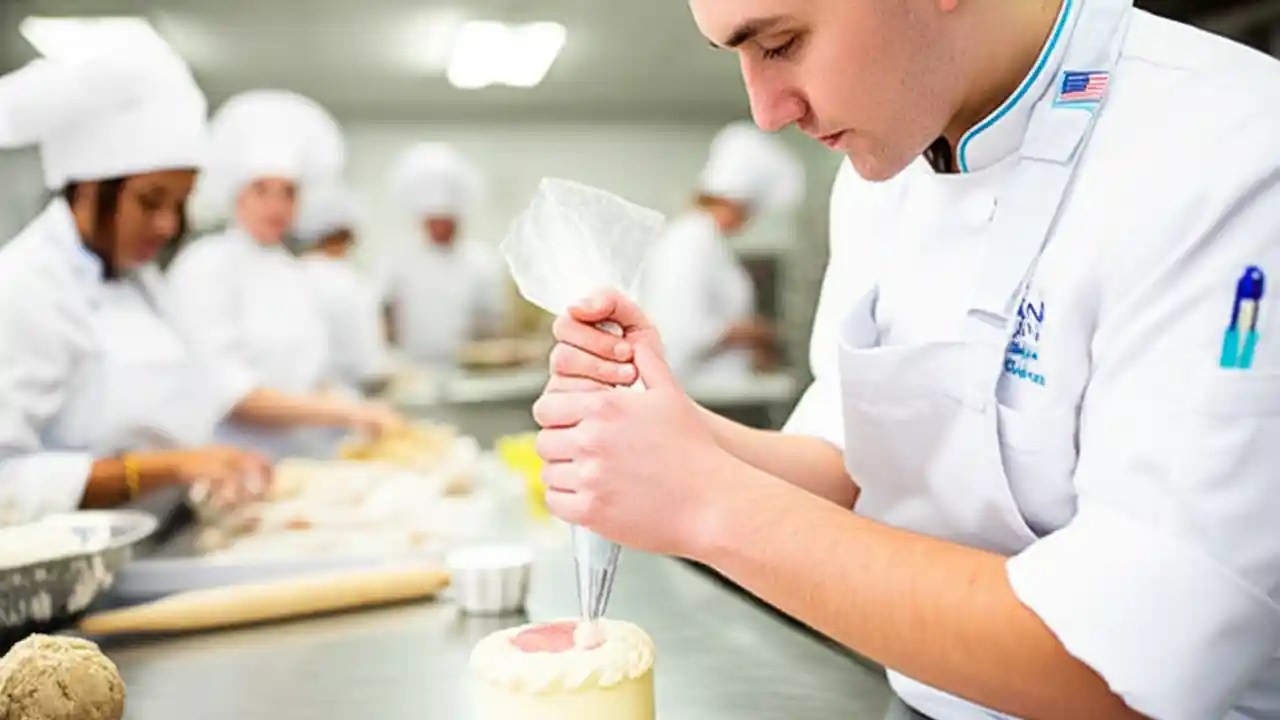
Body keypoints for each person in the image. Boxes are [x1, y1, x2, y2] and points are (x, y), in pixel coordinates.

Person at [531, 0, 1280, 717]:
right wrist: (666, 428)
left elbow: (1132, 671)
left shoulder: (1228, 148)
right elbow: (850, 463)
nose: (767, 110)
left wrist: (704, 502)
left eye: (781, 44)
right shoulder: (884, 169)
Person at [0, 52, 271, 525]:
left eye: (180, 203)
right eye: (150, 202)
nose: (168, 225)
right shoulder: (23, 287)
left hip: (161, 537)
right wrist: (168, 467)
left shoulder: (140, 282)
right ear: (87, 189)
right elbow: (6, 483)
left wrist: (213, 461)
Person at [165, 90, 404, 459]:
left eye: (288, 193)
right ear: (237, 194)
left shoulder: (291, 271)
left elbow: (310, 374)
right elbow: (229, 392)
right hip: (234, 464)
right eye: (262, 190)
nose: (276, 206)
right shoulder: (205, 265)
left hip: (301, 462)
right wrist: (345, 412)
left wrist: (358, 408)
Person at [638, 121, 804, 383]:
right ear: (737, 204)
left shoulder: (706, 241)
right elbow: (681, 328)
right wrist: (752, 332)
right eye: (751, 210)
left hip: (715, 390)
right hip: (700, 392)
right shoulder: (691, 240)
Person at [381, 143, 506, 367]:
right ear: (421, 221)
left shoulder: (482, 261)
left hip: (470, 369)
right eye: (434, 222)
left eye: (446, 222)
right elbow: (385, 314)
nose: (441, 229)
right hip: (410, 367)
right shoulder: (397, 262)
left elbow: (494, 321)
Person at [293, 182, 391, 395]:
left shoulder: (290, 275)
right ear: (351, 234)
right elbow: (370, 368)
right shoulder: (352, 285)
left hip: (295, 405)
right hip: (344, 409)